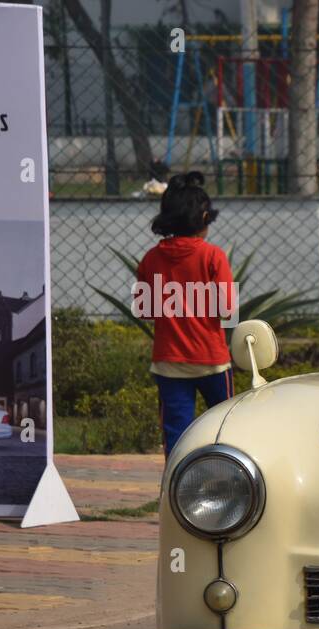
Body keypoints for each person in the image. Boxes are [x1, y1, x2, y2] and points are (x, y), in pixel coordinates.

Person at [135, 171, 237, 458]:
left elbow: (145, 310)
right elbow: (227, 309)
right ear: (204, 218)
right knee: (226, 428)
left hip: (169, 363)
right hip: (212, 362)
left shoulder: (150, 259)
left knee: (176, 433)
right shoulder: (213, 257)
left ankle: (176, 487)